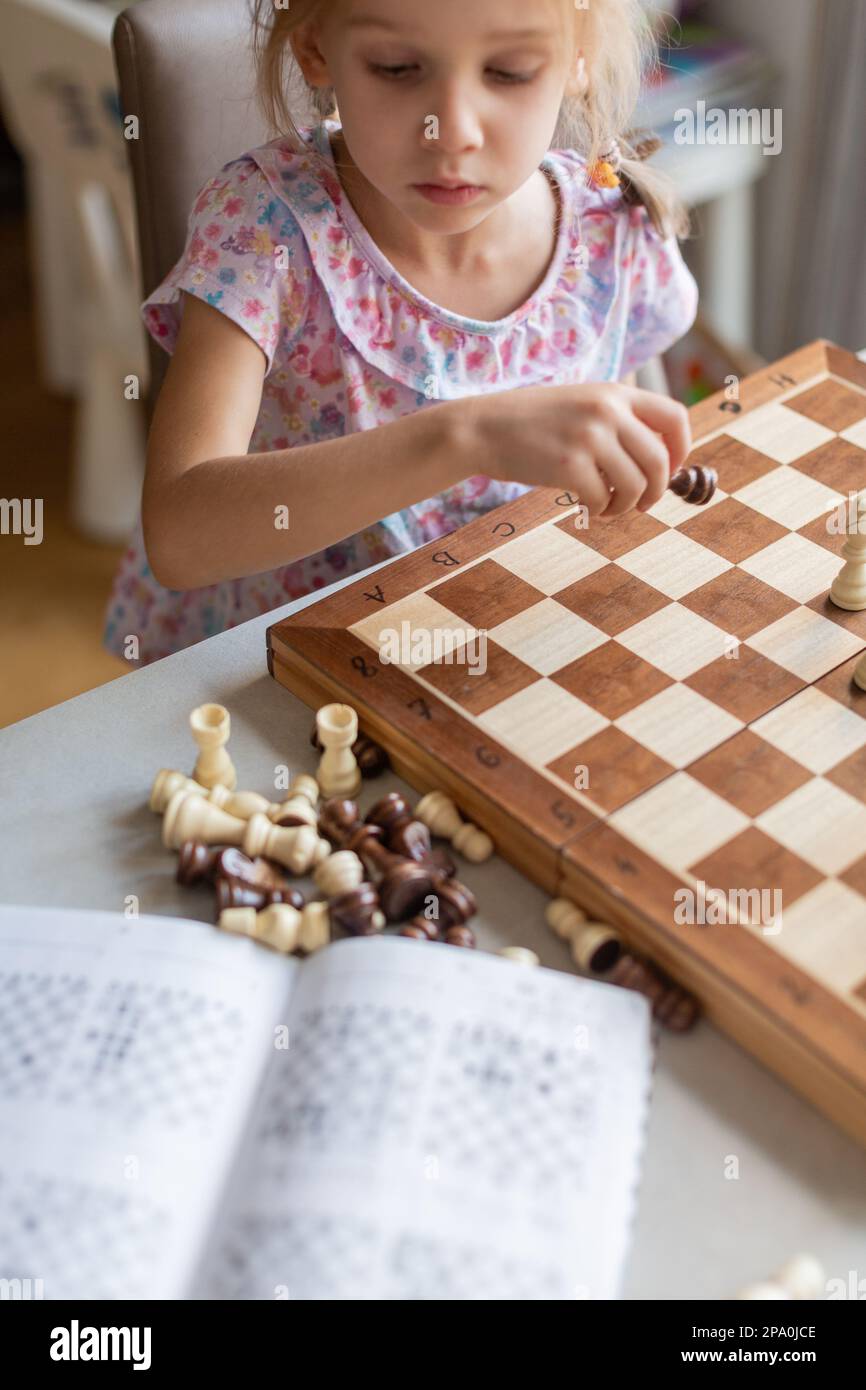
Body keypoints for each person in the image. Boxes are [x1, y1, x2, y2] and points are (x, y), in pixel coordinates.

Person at [104, 0, 698, 664]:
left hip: (508, 655)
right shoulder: (266, 228)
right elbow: (181, 537)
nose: (452, 132)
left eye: (508, 71)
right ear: (315, 49)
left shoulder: (612, 229)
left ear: (578, 61)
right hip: (284, 672)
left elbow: (622, 488)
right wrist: (467, 436)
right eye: (396, 68)